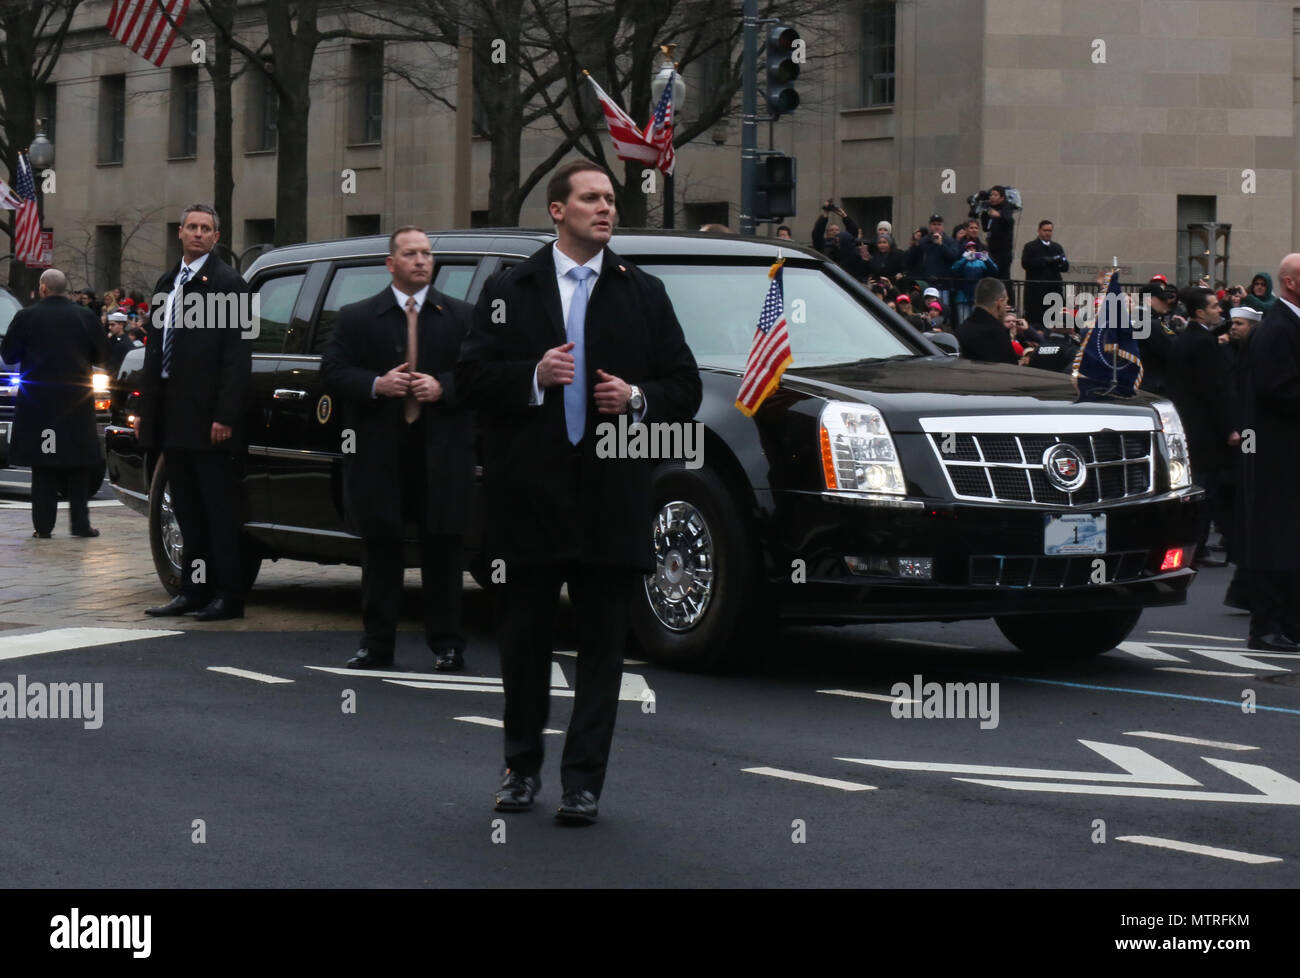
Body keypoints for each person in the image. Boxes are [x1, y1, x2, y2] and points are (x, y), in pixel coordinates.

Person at [457, 159, 702, 824]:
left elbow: (686, 386)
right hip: (529, 498)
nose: (605, 208)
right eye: (591, 198)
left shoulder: (642, 291)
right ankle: (519, 768)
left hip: (609, 499)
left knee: (602, 651)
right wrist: (533, 376)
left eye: (611, 199)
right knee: (524, 646)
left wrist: (638, 397)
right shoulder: (511, 288)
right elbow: (471, 379)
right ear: (557, 211)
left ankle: (584, 781)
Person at [321, 227, 474, 672]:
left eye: (427, 254)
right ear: (391, 263)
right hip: (380, 453)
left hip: (441, 453)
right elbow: (332, 371)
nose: (421, 261)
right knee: (381, 550)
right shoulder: (358, 316)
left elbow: (483, 376)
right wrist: (377, 384)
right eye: (410, 254)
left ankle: (448, 645)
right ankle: (377, 644)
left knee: (443, 551)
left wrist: (442, 386)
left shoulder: (460, 316)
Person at [139, 203, 253, 622]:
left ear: (216, 237)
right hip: (172, 413)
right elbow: (155, 351)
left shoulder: (232, 285)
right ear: (180, 233)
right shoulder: (166, 283)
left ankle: (229, 595)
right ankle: (193, 590)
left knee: (218, 512)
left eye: (207, 228)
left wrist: (225, 415)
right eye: (192, 227)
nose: (199, 234)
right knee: (186, 509)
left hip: (210, 419)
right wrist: (147, 417)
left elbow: (238, 358)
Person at [0, 269, 106, 539]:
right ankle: (80, 524)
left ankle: (43, 526)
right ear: (64, 288)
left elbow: (9, 353)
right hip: (76, 401)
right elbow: (102, 354)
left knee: (43, 465)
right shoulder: (86, 316)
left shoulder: (26, 316)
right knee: (79, 462)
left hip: (40, 402)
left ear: (43, 288)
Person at [1237, 255, 1300, 651]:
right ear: (1291, 282)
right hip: (1279, 452)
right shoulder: (1278, 327)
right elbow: (1277, 388)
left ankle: (1288, 622)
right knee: (1276, 537)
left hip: (1288, 450)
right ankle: (1267, 625)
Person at [1165, 287, 1238, 567]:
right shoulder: (1204, 343)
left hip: (1189, 425)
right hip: (1206, 429)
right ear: (1199, 312)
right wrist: (1229, 428)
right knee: (1207, 490)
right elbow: (1215, 390)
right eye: (1213, 306)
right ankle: (1198, 546)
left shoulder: (1186, 340)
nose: (1219, 310)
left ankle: (1196, 545)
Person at [1019, 219, 1068, 327]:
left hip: (1054, 289)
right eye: (1045, 230)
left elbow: (1065, 266)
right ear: (1039, 231)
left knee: (1055, 320)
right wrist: (1045, 260)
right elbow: (1025, 263)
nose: (1047, 233)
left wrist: (1057, 261)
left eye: (1050, 230)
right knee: (1037, 321)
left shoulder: (1057, 247)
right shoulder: (1030, 246)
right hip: (1036, 292)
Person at [955, 277, 1016, 364]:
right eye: (1006, 301)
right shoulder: (997, 333)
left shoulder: (962, 329)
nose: (1006, 306)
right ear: (999, 302)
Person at [950, 238, 999, 325]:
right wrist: (965, 259)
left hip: (977, 298)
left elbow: (994, 270)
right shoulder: (961, 261)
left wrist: (987, 259)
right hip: (963, 297)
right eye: (969, 248)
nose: (971, 250)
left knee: (977, 322)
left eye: (973, 248)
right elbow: (954, 270)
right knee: (963, 322)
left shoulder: (981, 262)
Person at [981, 186, 1016, 290]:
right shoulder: (989, 209)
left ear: (1002, 198)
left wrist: (998, 215)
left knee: (1004, 277)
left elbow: (1009, 221)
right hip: (992, 249)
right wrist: (985, 214)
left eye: (995, 195)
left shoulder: (1006, 208)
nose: (992, 197)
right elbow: (985, 227)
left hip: (1003, 250)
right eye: (991, 195)